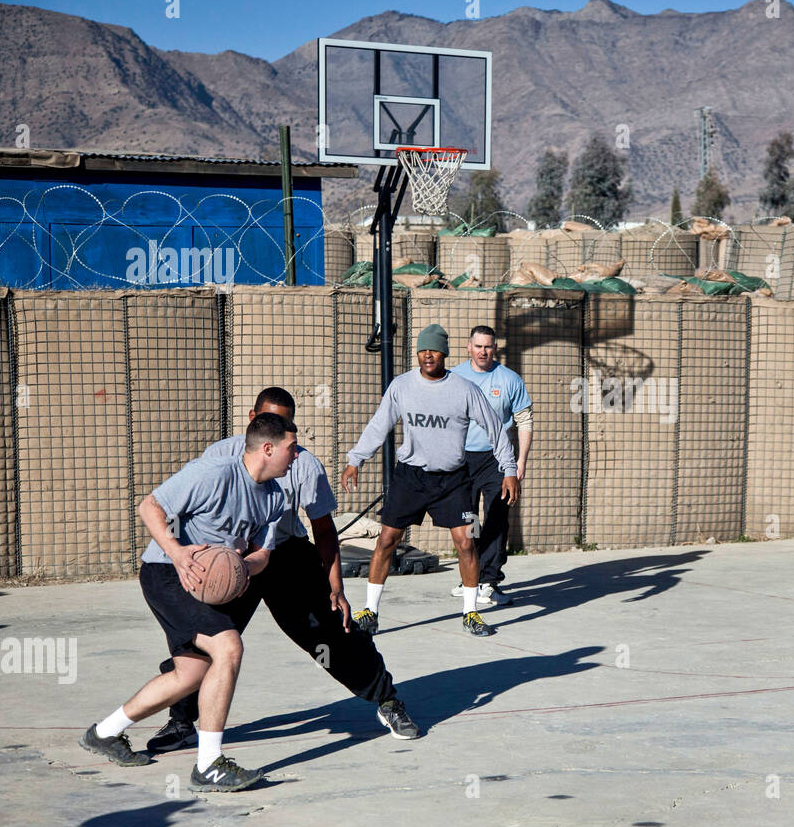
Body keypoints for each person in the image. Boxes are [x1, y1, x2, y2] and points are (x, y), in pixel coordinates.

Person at [144, 387, 421, 754]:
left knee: (328, 635)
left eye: (288, 423)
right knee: (205, 641)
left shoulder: (303, 465)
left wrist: (335, 585)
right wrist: (181, 555)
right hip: (229, 560)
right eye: (269, 420)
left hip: (285, 555)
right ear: (253, 421)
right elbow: (177, 509)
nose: (281, 428)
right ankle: (181, 722)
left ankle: (386, 699)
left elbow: (323, 531)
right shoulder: (220, 455)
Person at [79, 412, 296, 792]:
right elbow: (150, 507)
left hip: (200, 583)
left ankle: (105, 732)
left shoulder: (276, 497)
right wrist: (178, 553)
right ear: (268, 448)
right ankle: (209, 764)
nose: (297, 456)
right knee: (228, 647)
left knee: (191, 675)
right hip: (166, 573)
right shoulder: (213, 473)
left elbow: (263, 553)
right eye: (292, 449)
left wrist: (242, 568)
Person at [343, 324, 520, 638]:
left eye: (434, 350)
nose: (428, 355)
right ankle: (370, 611)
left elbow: (496, 430)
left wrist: (508, 470)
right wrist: (356, 459)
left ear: (445, 354)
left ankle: (471, 613)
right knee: (386, 541)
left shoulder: (464, 389)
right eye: (423, 349)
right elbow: (378, 424)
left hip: (453, 481)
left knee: (466, 543)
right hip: (411, 477)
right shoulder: (402, 386)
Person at [449, 325, 532, 607]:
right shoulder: (455, 377)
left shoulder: (509, 379)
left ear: (495, 349)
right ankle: (470, 577)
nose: (483, 351)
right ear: (468, 347)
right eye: (478, 346)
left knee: (497, 517)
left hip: (497, 459)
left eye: (488, 346)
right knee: (467, 519)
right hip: (462, 459)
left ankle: (489, 580)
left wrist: (519, 463)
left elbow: (524, 422)